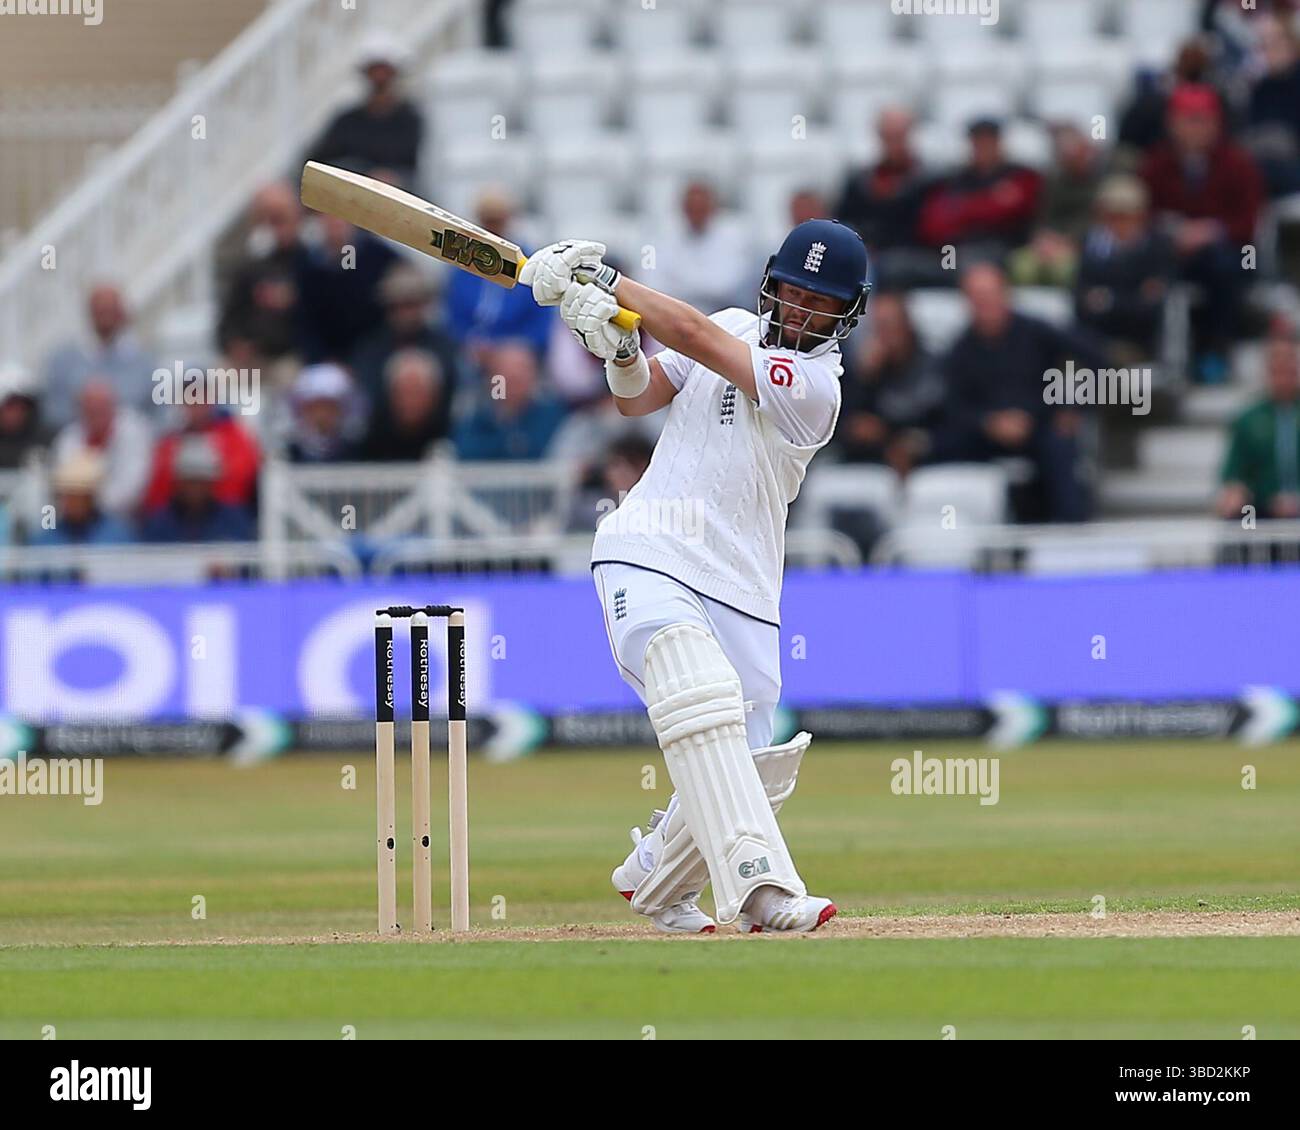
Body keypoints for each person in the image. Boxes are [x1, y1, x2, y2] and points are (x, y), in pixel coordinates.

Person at [519, 218, 871, 934]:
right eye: (795, 294)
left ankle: (654, 876)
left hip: (743, 587)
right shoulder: (736, 320)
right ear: (773, 285)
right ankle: (762, 892)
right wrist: (619, 349)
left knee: (756, 767)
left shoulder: (816, 389)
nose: (802, 312)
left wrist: (609, 282)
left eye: (821, 304)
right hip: (648, 548)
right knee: (697, 692)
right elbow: (639, 396)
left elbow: (697, 341)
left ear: (846, 316)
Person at [304, 33, 424, 184]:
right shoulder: (347, 120)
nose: (380, 78)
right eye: (374, 71)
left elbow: (415, 167)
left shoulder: (410, 120)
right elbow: (320, 160)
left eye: (385, 72)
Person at [41, 285, 157, 431]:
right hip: (79, 445)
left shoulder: (144, 361)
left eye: (111, 311)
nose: (106, 317)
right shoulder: (62, 361)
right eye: (101, 311)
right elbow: (54, 412)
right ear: (90, 313)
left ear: (122, 313)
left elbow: (157, 412)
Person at [1217, 339, 1300, 520]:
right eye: (1278, 371)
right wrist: (1235, 492)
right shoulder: (1249, 419)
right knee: (1238, 514)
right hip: (1264, 510)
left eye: (1290, 370)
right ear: (1267, 373)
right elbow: (1234, 474)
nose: (1284, 379)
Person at [50, 379, 153, 517]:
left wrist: (88, 503)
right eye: (90, 409)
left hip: (128, 519)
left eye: (101, 408)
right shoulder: (68, 439)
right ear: (80, 410)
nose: (96, 414)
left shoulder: (134, 433)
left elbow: (132, 490)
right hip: (78, 516)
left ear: (113, 407)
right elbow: (65, 487)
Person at [453, 342, 567, 461]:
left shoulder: (553, 416)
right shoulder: (475, 416)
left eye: (520, 376)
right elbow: (466, 453)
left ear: (534, 376)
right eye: (507, 377)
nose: (514, 383)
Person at [141, 436, 256, 543]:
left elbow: (247, 561)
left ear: (212, 483)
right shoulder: (159, 523)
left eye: (201, 481)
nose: (196, 489)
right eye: (191, 481)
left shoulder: (234, 520)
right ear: (179, 482)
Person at [28, 449, 133, 547]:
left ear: (90, 497)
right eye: (68, 494)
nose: (71, 502)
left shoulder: (117, 535)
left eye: (77, 495)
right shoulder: (47, 538)